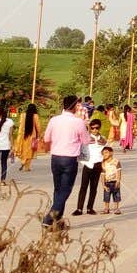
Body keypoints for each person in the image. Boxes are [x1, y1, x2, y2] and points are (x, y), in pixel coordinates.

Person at [41, 95, 93, 227]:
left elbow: (46, 138)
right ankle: (50, 218)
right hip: (69, 158)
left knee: (58, 189)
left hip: (55, 157)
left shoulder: (54, 120)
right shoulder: (78, 122)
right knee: (66, 189)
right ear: (75, 106)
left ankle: (57, 219)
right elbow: (86, 140)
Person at [74, 119, 109, 215]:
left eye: (97, 128)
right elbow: (81, 150)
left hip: (98, 164)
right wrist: (83, 162)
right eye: (92, 128)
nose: (94, 130)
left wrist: (105, 163)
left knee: (94, 188)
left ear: (99, 128)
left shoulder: (103, 139)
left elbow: (107, 152)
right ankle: (79, 209)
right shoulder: (86, 138)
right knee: (83, 187)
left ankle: (90, 208)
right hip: (88, 164)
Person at [12, 103, 41, 172]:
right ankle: (26, 166)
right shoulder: (35, 116)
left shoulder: (22, 115)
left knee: (23, 149)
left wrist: (19, 135)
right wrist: (39, 134)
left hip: (23, 135)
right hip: (32, 136)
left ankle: (23, 161)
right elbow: (38, 126)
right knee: (30, 151)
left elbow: (21, 125)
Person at [99, 145, 123, 215]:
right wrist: (103, 184)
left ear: (111, 153)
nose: (104, 154)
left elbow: (119, 171)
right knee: (106, 196)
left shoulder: (116, 162)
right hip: (107, 182)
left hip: (115, 182)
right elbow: (102, 174)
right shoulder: (103, 163)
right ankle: (106, 208)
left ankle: (116, 208)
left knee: (116, 195)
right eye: (103, 153)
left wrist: (118, 181)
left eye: (106, 152)